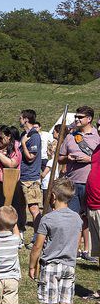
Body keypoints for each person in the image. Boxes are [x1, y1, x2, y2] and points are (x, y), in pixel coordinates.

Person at [29, 177, 81, 304]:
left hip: (50, 266)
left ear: (52, 196)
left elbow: (37, 246)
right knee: (67, 303)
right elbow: (77, 241)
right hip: (69, 266)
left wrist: (32, 265)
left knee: (51, 303)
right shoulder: (77, 219)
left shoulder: (48, 219)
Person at [58, 106, 98, 259]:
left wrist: (90, 159)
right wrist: (69, 158)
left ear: (89, 119)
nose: (76, 119)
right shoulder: (70, 137)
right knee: (73, 218)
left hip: (91, 184)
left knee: (89, 218)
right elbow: (60, 158)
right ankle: (73, 250)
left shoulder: (97, 137)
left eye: (80, 117)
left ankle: (88, 250)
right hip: (72, 183)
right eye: (76, 117)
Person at [0, 125, 27, 232]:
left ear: (8, 137)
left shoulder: (14, 150)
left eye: (1, 138)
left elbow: (12, 164)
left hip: (4, 185)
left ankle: (10, 232)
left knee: (3, 211)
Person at [19, 109, 43, 223]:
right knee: (20, 207)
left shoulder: (34, 136)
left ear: (26, 119)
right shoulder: (24, 134)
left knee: (33, 208)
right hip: (22, 176)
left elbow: (30, 157)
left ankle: (39, 235)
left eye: (20, 118)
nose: (19, 120)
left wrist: (23, 144)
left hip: (30, 178)